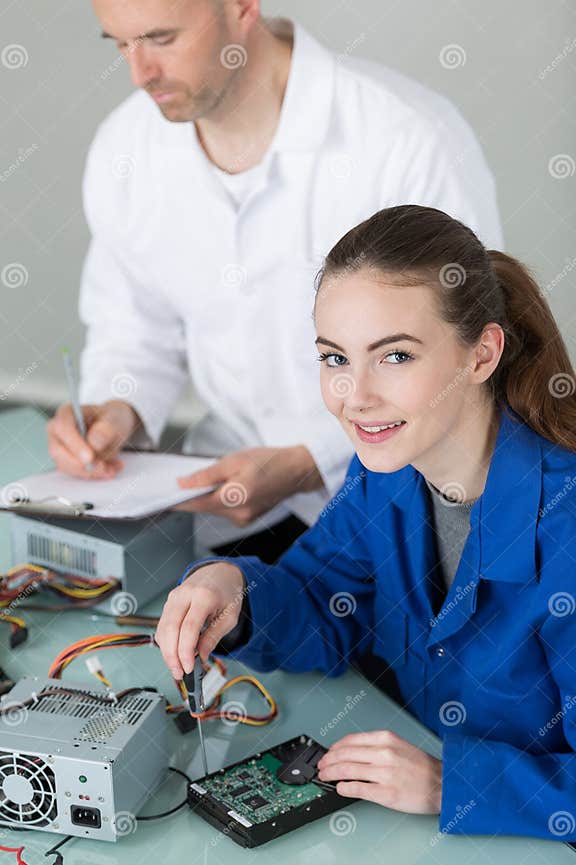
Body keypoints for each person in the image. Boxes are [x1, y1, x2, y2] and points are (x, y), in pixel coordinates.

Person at [155, 204, 576, 839]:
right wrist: (233, 590)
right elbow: (324, 604)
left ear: (482, 354)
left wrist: (451, 784)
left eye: (396, 356)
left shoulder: (564, 530)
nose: (356, 396)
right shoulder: (386, 473)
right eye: (335, 359)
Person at [47, 0, 502, 560]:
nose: (140, 73)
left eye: (161, 39)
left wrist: (310, 461)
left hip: (400, 500)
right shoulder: (125, 148)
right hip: (224, 490)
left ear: (242, 7)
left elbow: (463, 358)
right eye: (120, 44)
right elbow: (133, 332)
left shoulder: (407, 137)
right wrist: (116, 411)